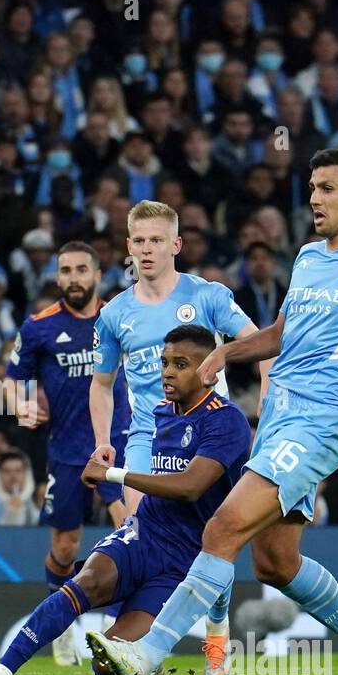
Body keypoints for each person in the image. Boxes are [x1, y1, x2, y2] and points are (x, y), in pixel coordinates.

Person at [89, 148, 338, 675]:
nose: (314, 198)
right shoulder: (309, 257)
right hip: (278, 422)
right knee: (275, 564)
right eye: (311, 187)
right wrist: (225, 355)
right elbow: (280, 335)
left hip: (320, 422)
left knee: (221, 529)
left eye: (327, 188)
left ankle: (145, 656)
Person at [0, 327, 250, 675]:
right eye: (164, 363)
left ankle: (209, 621)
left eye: (181, 364)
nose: (167, 372)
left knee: (106, 667)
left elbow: (190, 486)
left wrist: (110, 475)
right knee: (83, 583)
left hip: (185, 562)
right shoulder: (161, 413)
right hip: (143, 535)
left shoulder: (226, 421)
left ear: (209, 369)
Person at [5, 240, 133, 664]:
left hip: (119, 444)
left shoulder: (119, 315)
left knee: (130, 535)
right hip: (67, 451)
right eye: (65, 270)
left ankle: (122, 637)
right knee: (64, 548)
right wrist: (19, 404)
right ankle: (61, 627)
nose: (73, 278)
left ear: (97, 275)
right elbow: (11, 377)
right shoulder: (39, 326)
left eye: (81, 270)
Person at [90, 199, 262, 514]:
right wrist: (103, 440)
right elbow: (101, 384)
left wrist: (267, 395)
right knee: (144, 535)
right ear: (129, 246)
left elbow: (262, 345)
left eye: (157, 240)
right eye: (139, 241)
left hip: (208, 434)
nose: (147, 249)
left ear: (176, 245)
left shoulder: (207, 296)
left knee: (212, 539)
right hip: (148, 436)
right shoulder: (113, 314)